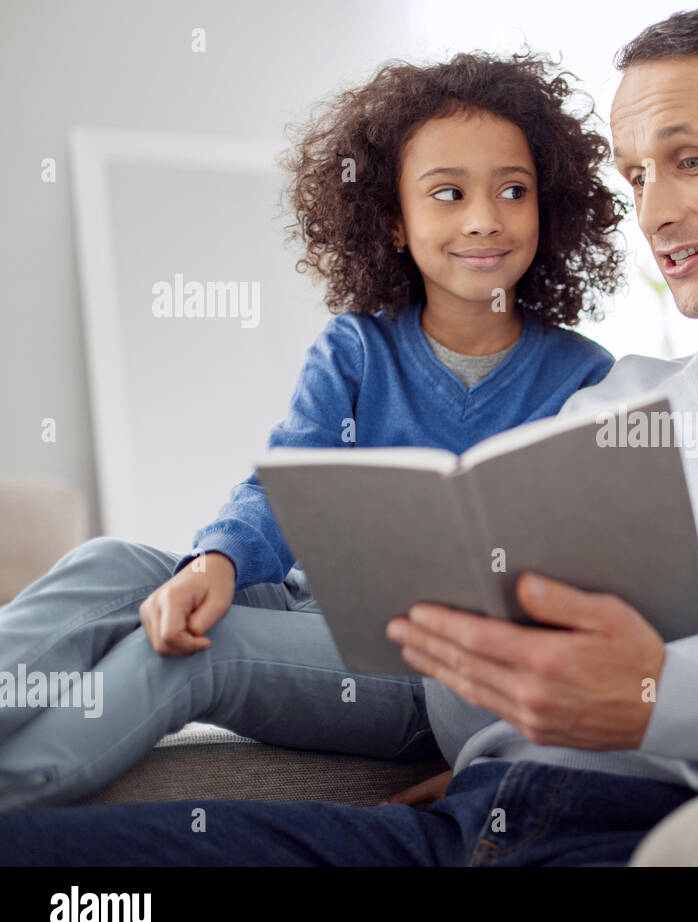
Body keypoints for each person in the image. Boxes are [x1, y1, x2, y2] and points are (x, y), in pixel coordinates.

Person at [0, 1, 698, 866]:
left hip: (641, 829)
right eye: (635, 174)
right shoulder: (614, 402)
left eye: (688, 160)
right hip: (454, 819)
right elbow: (462, 686)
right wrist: (494, 707)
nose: (653, 211)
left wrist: (662, 698)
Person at [0, 51, 626, 815]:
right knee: (111, 563)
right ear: (393, 222)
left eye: (513, 191)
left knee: (197, 655)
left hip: (431, 672)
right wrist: (217, 559)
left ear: (547, 206)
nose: (483, 218)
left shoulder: (587, 378)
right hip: (307, 604)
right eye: (447, 193)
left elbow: (589, 587)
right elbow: (284, 481)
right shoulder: (358, 346)